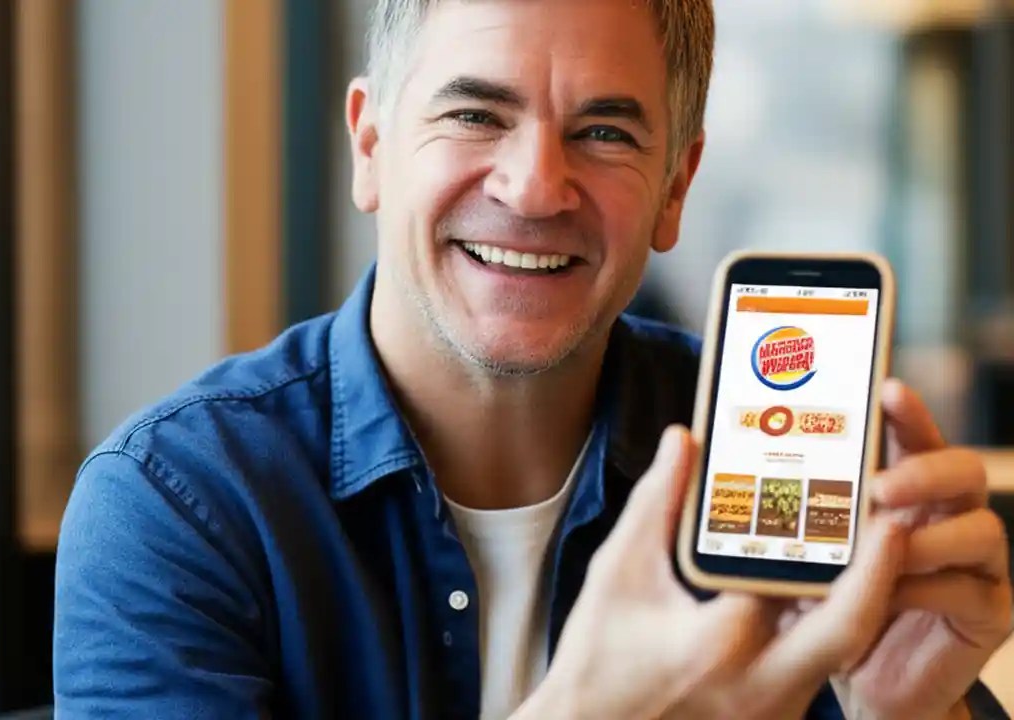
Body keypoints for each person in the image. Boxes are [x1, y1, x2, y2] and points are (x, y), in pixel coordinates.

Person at [53, 0, 1013, 717]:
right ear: (371, 145)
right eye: (475, 114)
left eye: (604, 131)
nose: (534, 185)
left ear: (676, 186)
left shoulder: (769, 473)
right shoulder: (180, 503)